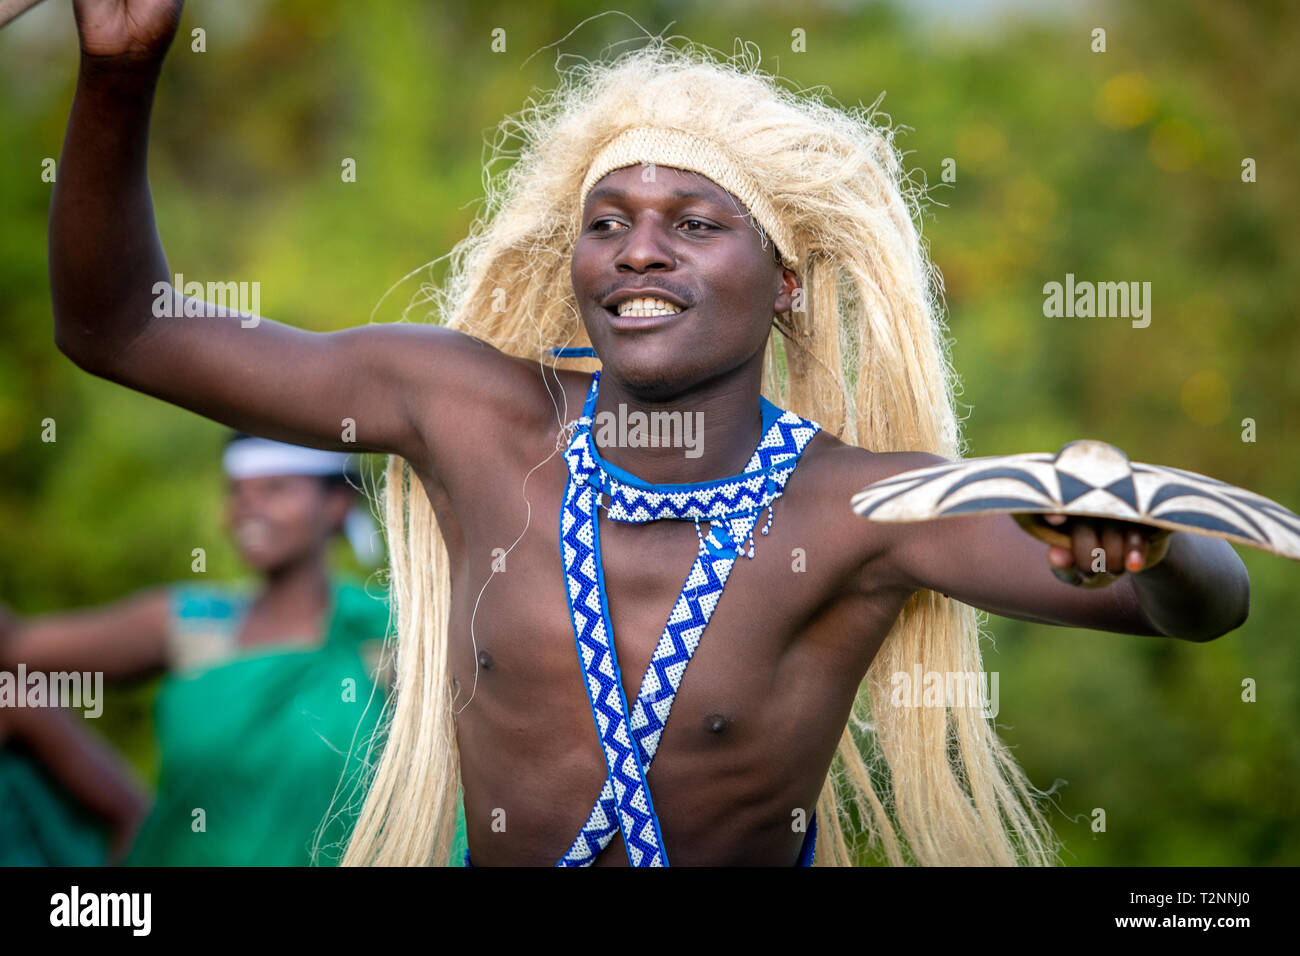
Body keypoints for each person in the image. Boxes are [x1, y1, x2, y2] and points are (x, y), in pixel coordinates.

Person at [48, 1, 1251, 866]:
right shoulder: (467, 414)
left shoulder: (856, 511)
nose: (638, 250)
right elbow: (122, 328)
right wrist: (119, 71)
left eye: (694, 223)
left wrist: (1147, 534)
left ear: (783, 282)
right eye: (608, 220)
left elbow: (1199, 603)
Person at [0, 432, 458, 865]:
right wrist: (123, 812)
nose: (248, 507)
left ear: (337, 504)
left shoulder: (386, 634)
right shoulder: (191, 623)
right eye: (237, 492)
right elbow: (17, 652)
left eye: (276, 489)